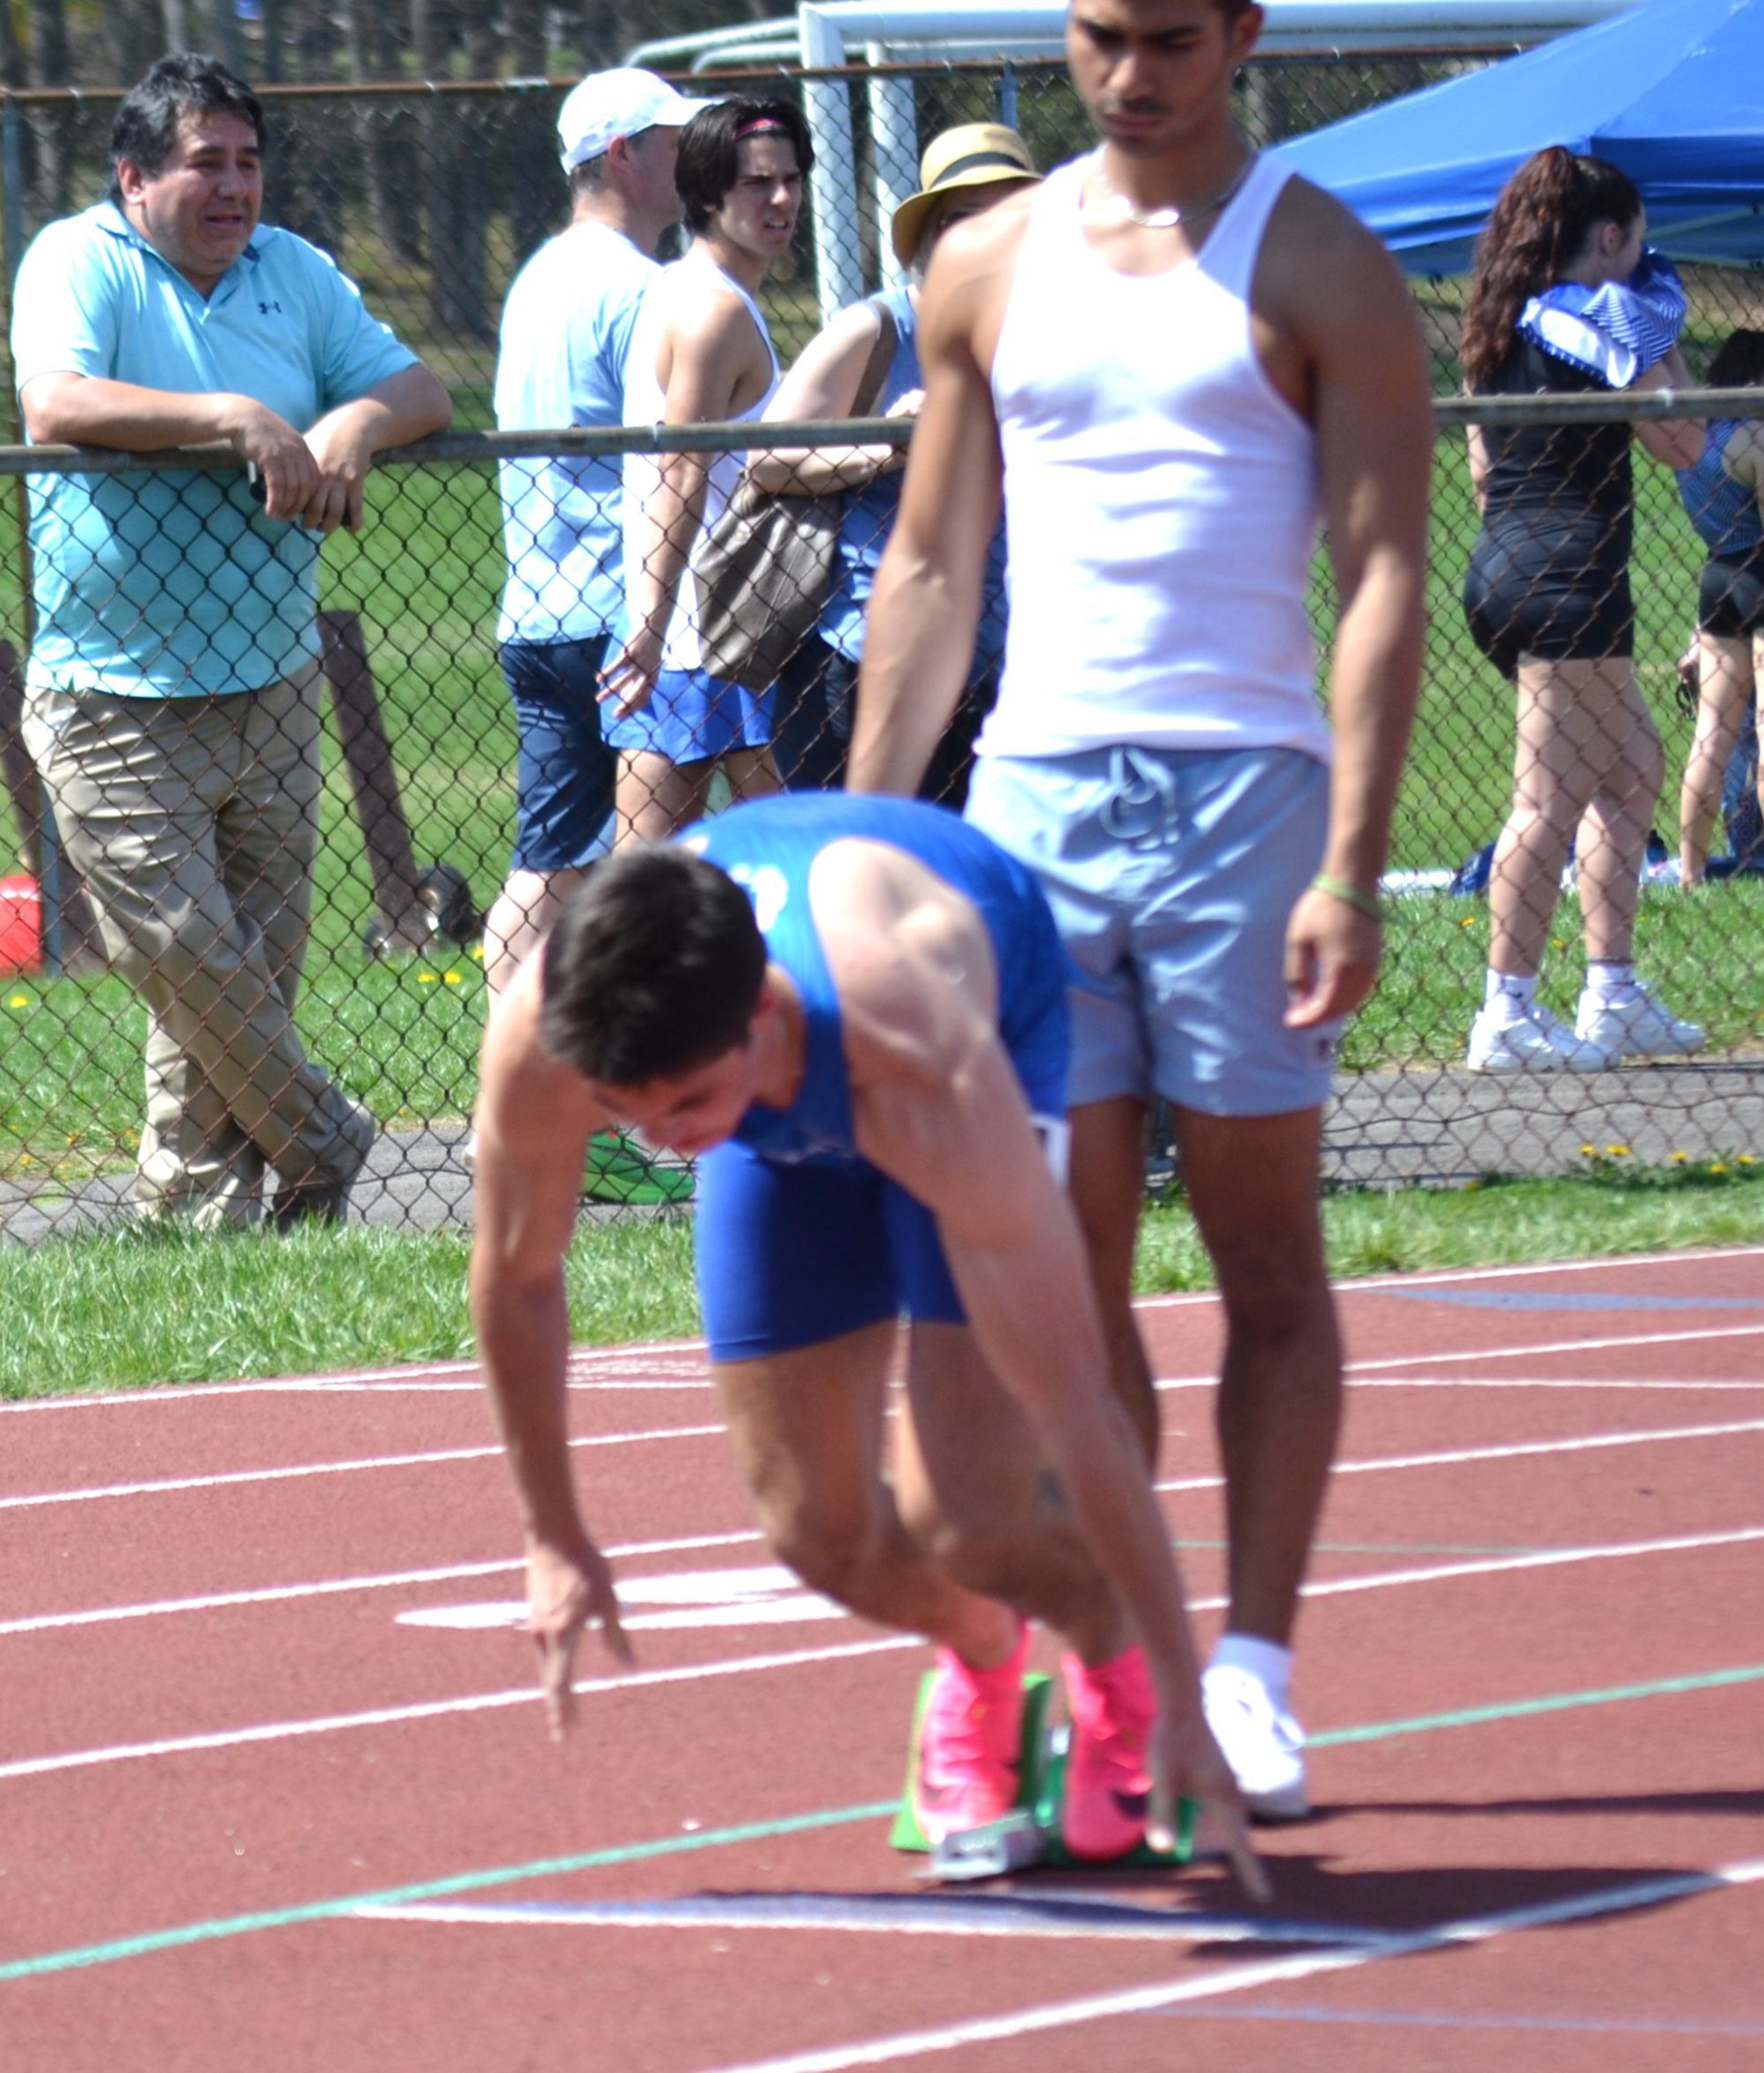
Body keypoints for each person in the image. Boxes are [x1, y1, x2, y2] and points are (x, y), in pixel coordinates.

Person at [849, 0, 1432, 1821]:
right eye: (1101, 33)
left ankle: (1251, 1662)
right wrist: (865, 832)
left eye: (1171, 35)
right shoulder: (984, 264)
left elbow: (1382, 565)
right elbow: (935, 562)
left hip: (1243, 801)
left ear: (1241, 33)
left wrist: (1347, 852)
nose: (1133, 71)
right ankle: (1124, 1657)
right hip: (1035, 810)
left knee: (1263, 1256)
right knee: (1056, 1279)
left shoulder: (1319, 258)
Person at [471, 792, 1262, 1889]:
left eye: (684, 1105)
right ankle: (983, 1654)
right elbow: (516, 1278)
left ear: (758, 1017)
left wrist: (1179, 1688)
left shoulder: (920, 1053)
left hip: (962, 1021)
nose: (658, 1141)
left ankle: (1110, 1657)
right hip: (777, 1079)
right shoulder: (551, 1034)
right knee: (815, 1533)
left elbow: (1073, 1393)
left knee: (969, 1517)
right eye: (623, 1110)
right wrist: (552, 1533)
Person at [11, 53, 452, 1230]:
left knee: (248, 968)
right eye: (206, 162)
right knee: (190, 955)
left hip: (270, 679)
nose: (234, 187)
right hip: (111, 691)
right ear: (135, 176)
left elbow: (425, 391)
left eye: (249, 162)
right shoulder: (80, 259)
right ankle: (324, 1135)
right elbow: (56, 404)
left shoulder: (291, 272)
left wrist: (354, 419)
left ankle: (195, 1205)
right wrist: (238, 418)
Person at [488, 67, 709, 1207]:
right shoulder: (640, 286)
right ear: (622, 153)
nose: (694, 157)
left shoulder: (537, 280)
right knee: (647, 875)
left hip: (537, 611)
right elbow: (678, 450)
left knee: (548, 865)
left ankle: (529, 1104)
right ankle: (639, 1116)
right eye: (675, 139)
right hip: (626, 617)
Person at [1459, 147, 1706, 1071]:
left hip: (1506, 569)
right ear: (1609, 238)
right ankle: (1507, 1012)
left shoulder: (1500, 330)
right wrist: (1659, 339)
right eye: (1637, 247)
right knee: (1548, 799)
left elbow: (1483, 472)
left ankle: (1611, 991)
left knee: (1631, 768)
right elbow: (1680, 442)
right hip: (1571, 581)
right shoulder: (1604, 329)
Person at [752, 125, 1031, 801]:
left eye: (1011, 217)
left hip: (1008, 661)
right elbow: (765, 459)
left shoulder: (1048, 333)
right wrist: (887, 446)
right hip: (868, 656)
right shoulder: (878, 329)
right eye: (969, 219)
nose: (991, 238)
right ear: (935, 233)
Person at [599, 97, 811, 846]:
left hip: (715, 629)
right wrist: (653, 624)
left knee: (652, 881)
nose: (782, 198)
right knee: (783, 859)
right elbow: (682, 469)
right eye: (759, 183)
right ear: (708, 195)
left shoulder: (685, 290)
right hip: (702, 636)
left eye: (791, 178)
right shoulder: (713, 311)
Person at [1673, 326, 1764, 888]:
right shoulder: (1763, 441)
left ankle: (1690, 872)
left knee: (1711, 733)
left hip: (1716, 578)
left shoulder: (1692, 439)